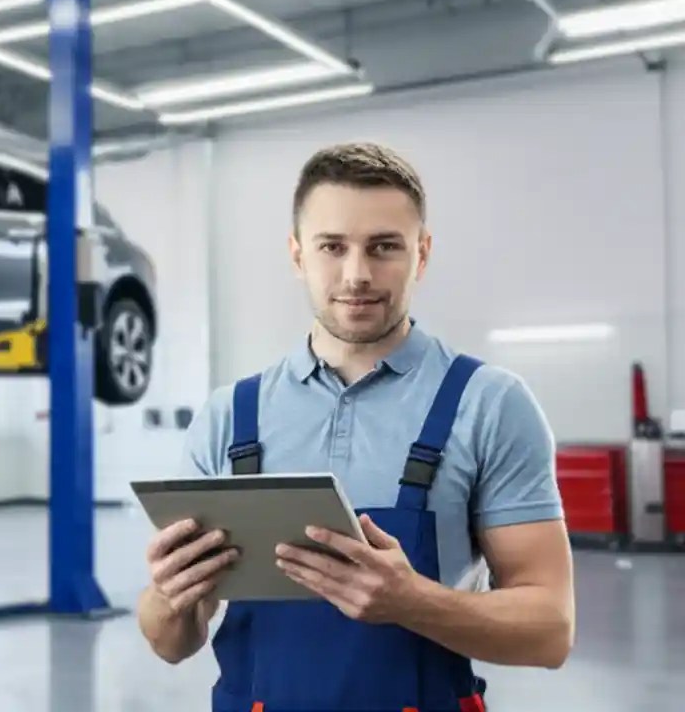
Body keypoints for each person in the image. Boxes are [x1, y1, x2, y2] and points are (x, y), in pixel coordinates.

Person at [135, 141, 575, 711]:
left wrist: (410, 601)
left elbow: (551, 629)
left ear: (423, 253)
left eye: (384, 247)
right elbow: (171, 642)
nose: (357, 274)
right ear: (298, 254)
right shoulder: (229, 416)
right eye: (332, 247)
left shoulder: (489, 404)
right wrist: (170, 598)